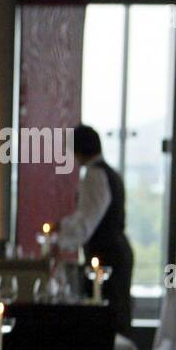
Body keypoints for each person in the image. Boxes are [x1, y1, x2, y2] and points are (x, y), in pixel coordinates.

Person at [57, 124, 134, 334]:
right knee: (116, 313)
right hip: (117, 251)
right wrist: (62, 226)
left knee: (105, 317)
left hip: (107, 255)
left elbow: (87, 221)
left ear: (78, 149)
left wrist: (59, 243)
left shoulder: (94, 175)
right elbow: (88, 214)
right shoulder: (110, 173)